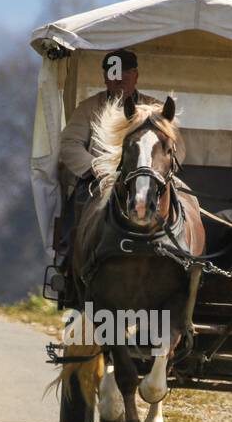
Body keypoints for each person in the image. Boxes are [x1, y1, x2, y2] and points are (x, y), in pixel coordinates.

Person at [52, 48, 161, 300]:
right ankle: (68, 263)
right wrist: (97, 168)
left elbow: (172, 145)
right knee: (79, 202)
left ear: (135, 75)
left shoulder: (153, 109)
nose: (118, 79)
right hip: (99, 180)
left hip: (146, 179)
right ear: (104, 77)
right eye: (112, 74)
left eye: (124, 73)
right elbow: (69, 145)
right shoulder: (89, 108)